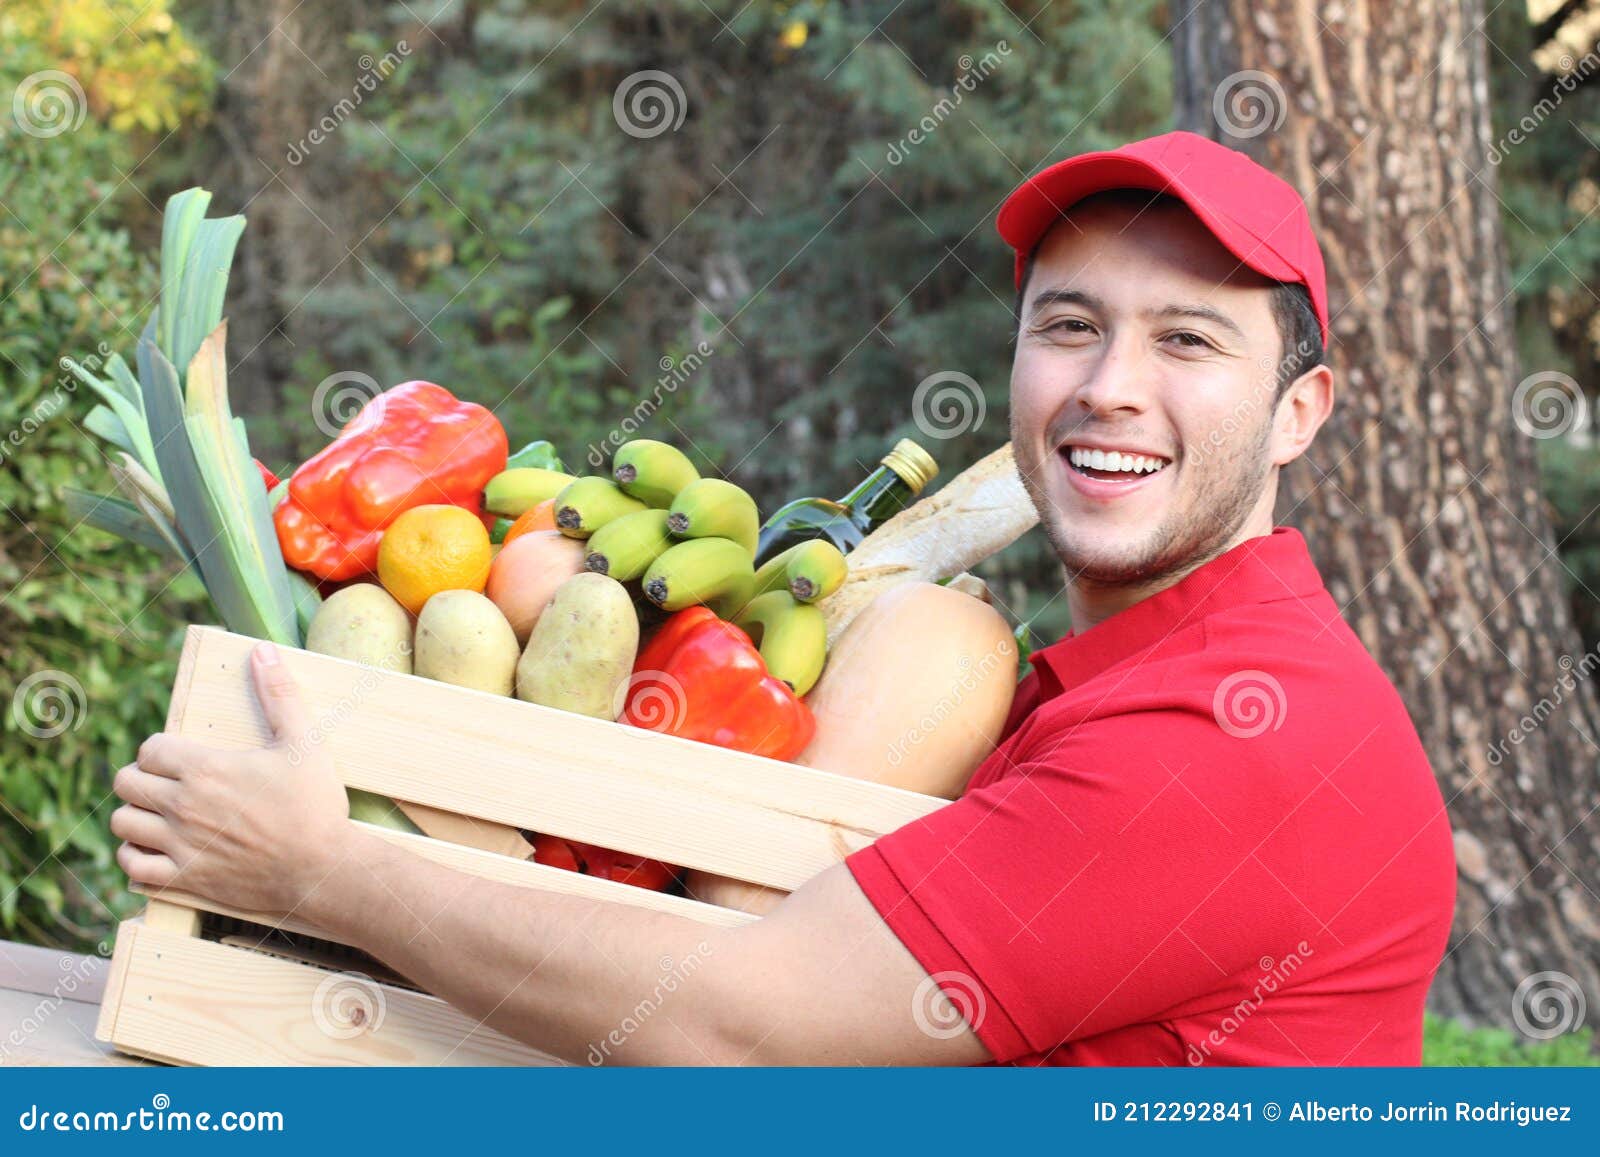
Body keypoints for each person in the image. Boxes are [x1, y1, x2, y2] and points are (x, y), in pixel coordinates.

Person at [110, 131, 1456, 1066]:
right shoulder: (1123, 674)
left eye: (1189, 338)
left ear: (1300, 412)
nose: (1109, 381)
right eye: (1070, 324)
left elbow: (740, 1029)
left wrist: (327, 870)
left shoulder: (1240, 732)